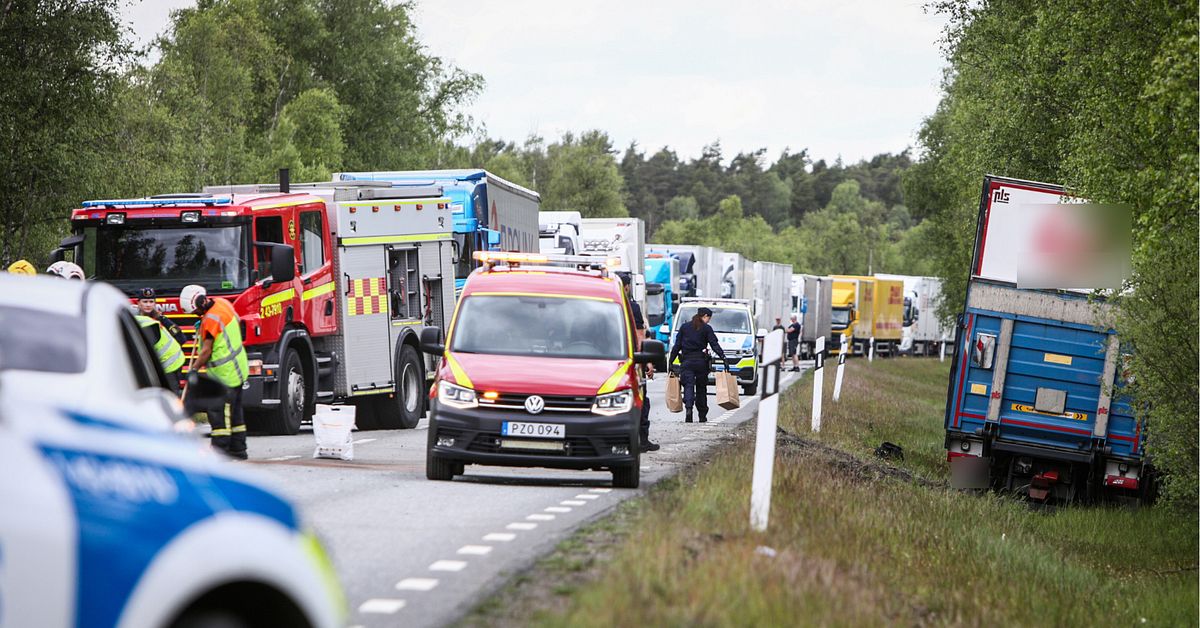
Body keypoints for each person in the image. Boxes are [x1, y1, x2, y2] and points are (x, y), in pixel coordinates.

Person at [181, 284, 249, 460]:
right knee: (236, 411)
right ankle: (238, 449)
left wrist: (194, 369)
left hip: (224, 374)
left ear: (197, 304)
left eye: (194, 312)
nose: (196, 315)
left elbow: (206, 351)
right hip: (239, 367)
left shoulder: (209, 320)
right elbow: (236, 320)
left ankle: (220, 450)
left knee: (219, 412)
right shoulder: (223, 303)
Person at [668, 307, 731, 423]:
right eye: (709, 318)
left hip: (686, 362)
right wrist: (724, 358)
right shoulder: (707, 329)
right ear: (705, 316)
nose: (709, 321)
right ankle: (702, 415)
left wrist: (670, 361)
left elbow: (677, 346)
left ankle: (688, 409)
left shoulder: (684, 327)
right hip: (701, 363)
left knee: (688, 385)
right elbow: (714, 344)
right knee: (701, 388)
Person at [619, 273, 659, 452]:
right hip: (632, 362)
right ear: (626, 287)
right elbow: (640, 336)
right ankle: (642, 440)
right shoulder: (631, 307)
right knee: (642, 400)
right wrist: (647, 362)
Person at [135, 314, 185, 394]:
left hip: (169, 363)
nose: (148, 305)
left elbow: (181, 338)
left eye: (150, 301)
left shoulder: (147, 326)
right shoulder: (143, 320)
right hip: (170, 359)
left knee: (170, 394)